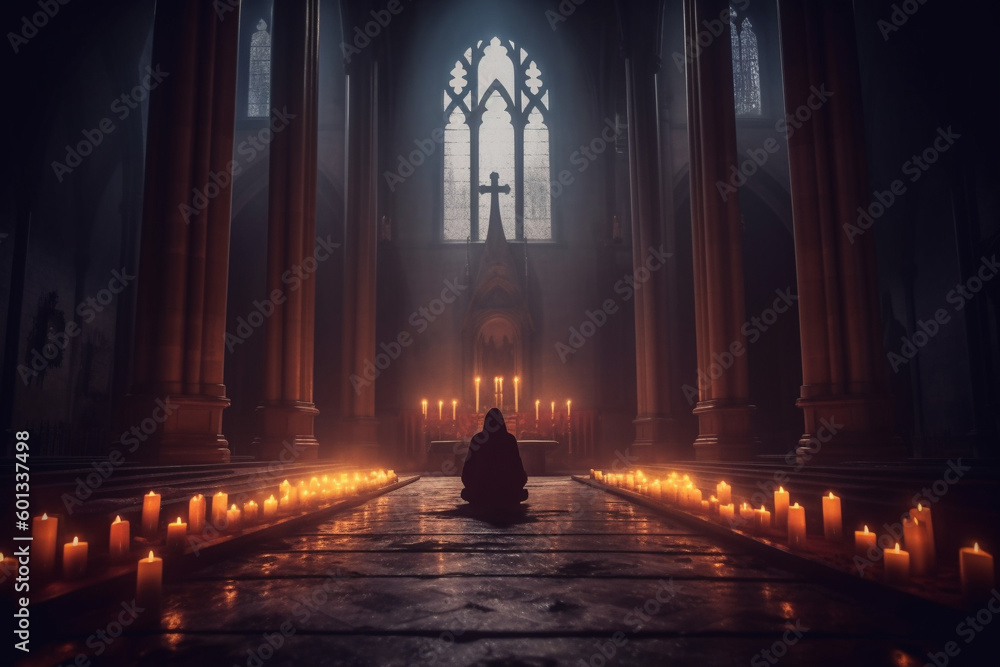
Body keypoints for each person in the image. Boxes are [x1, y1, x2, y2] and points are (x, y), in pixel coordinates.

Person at [461, 408, 529, 509]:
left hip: (481, 489)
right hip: (507, 490)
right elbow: (517, 467)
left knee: (467, 493)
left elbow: (467, 469)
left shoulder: (478, 439)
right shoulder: (509, 440)